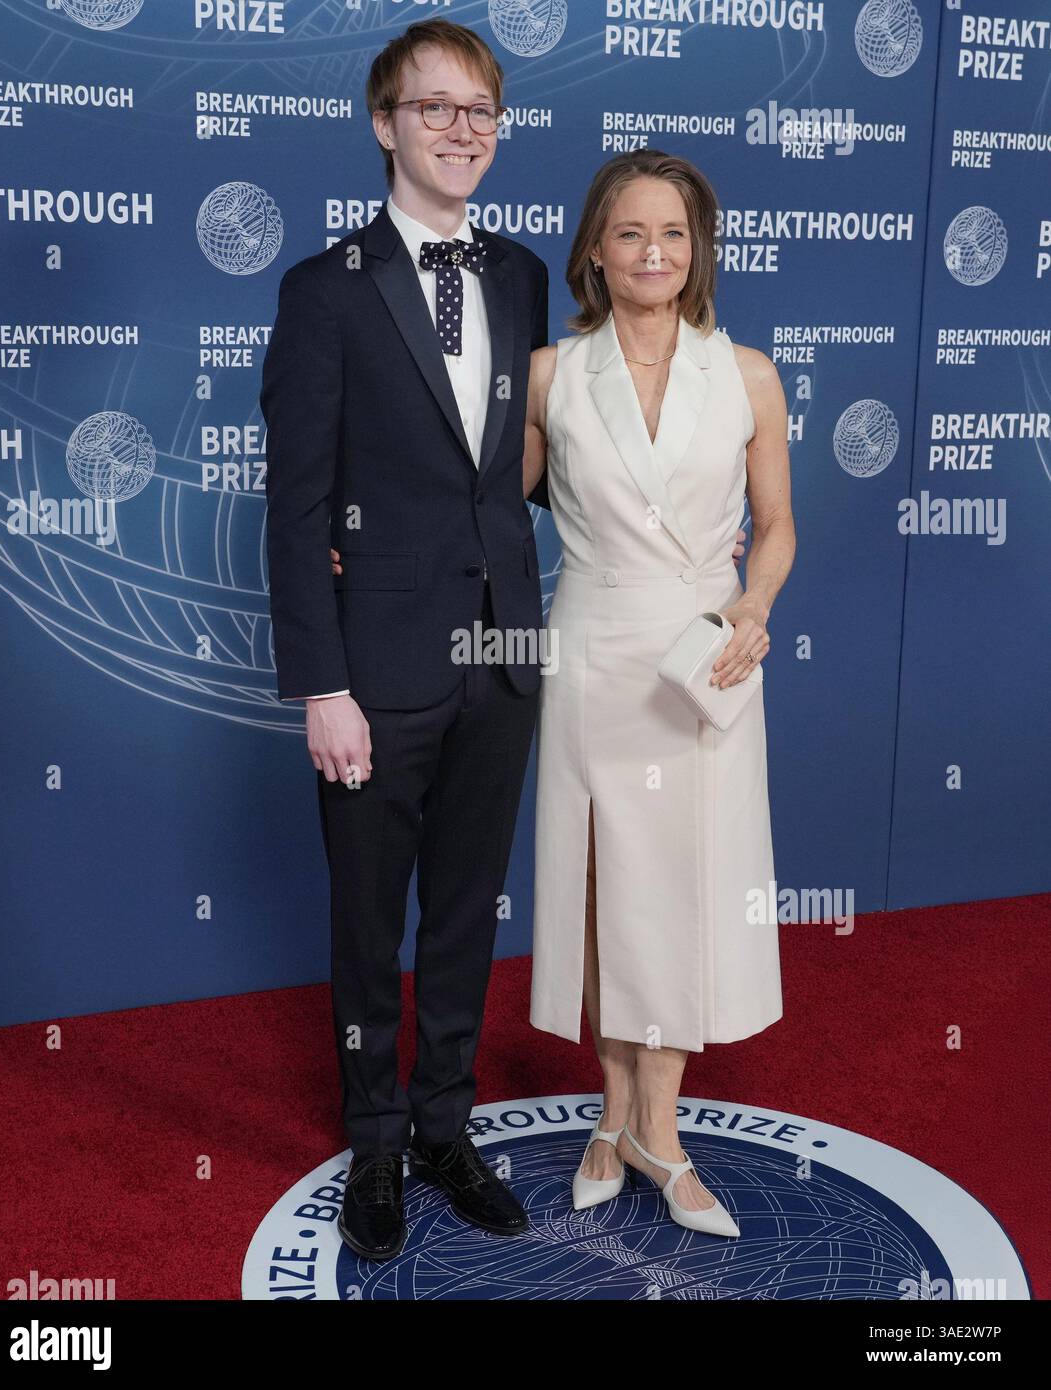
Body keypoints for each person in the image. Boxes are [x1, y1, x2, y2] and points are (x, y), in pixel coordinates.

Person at [260, 19, 552, 1262]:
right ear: (385, 125)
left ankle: (444, 1122)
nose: (460, 130)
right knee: (368, 918)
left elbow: (527, 468)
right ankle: (375, 1139)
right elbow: (296, 510)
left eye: (479, 110)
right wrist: (321, 684)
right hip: (374, 673)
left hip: (504, 653)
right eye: (434, 109)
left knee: (466, 910)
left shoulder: (524, 275)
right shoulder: (323, 291)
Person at [523, 150, 794, 1236]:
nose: (651, 253)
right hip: (592, 640)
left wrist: (750, 604)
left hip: (704, 648)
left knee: (683, 883)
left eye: (672, 234)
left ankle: (659, 1130)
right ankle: (608, 1114)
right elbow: (480, 503)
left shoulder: (749, 374)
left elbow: (772, 528)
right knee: (603, 881)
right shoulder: (549, 375)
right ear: (594, 248)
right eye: (629, 233)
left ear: (697, 251)